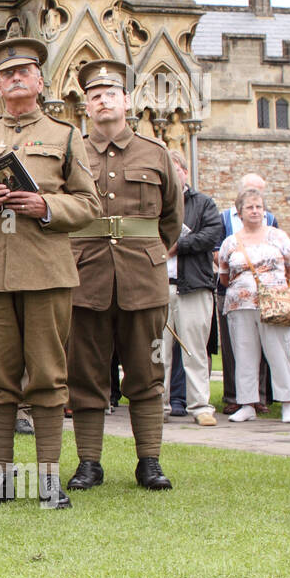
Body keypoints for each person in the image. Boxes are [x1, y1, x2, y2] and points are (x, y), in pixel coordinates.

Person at [0, 38, 99, 508]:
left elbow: (89, 204)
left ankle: (49, 479)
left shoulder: (66, 135)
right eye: (7, 74)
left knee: (49, 376)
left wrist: (46, 205)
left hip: (45, 272)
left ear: (40, 81)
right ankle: (1, 477)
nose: (15, 79)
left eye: (24, 72)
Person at [64, 61, 184, 493]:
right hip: (86, 278)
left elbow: (171, 220)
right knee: (86, 374)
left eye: (110, 92)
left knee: (146, 371)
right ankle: (89, 464)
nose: (102, 100)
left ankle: (149, 461)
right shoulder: (71, 150)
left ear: (126, 100)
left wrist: (147, 254)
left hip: (142, 277)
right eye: (94, 94)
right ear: (86, 105)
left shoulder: (156, 153)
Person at [217, 188, 290, 424]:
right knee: (243, 354)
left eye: (259, 207)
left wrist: (277, 287)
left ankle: (287, 403)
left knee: (278, 352)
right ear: (240, 212)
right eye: (250, 207)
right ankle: (246, 403)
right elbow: (224, 275)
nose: (255, 211)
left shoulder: (278, 236)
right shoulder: (230, 242)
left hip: (273, 304)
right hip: (240, 305)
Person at [160, 149, 222, 427]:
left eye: (177, 170)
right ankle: (157, 405)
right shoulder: (153, 202)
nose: (173, 176)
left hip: (193, 286)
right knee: (157, 350)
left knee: (194, 349)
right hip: (159, 287)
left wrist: (177, 246)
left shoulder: (204, 203)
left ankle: (200, 405)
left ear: (185, 172)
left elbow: (211, 235)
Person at [216, 173, 278, 414]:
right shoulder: (224, 219)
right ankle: (234, 396)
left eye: (259, 195)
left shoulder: (271, 221)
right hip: (232, 292)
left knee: (263, 345)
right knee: (234, 348)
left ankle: (259, 397)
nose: (255, 200)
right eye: (251, 193)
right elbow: (218, 253)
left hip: (265, 294)